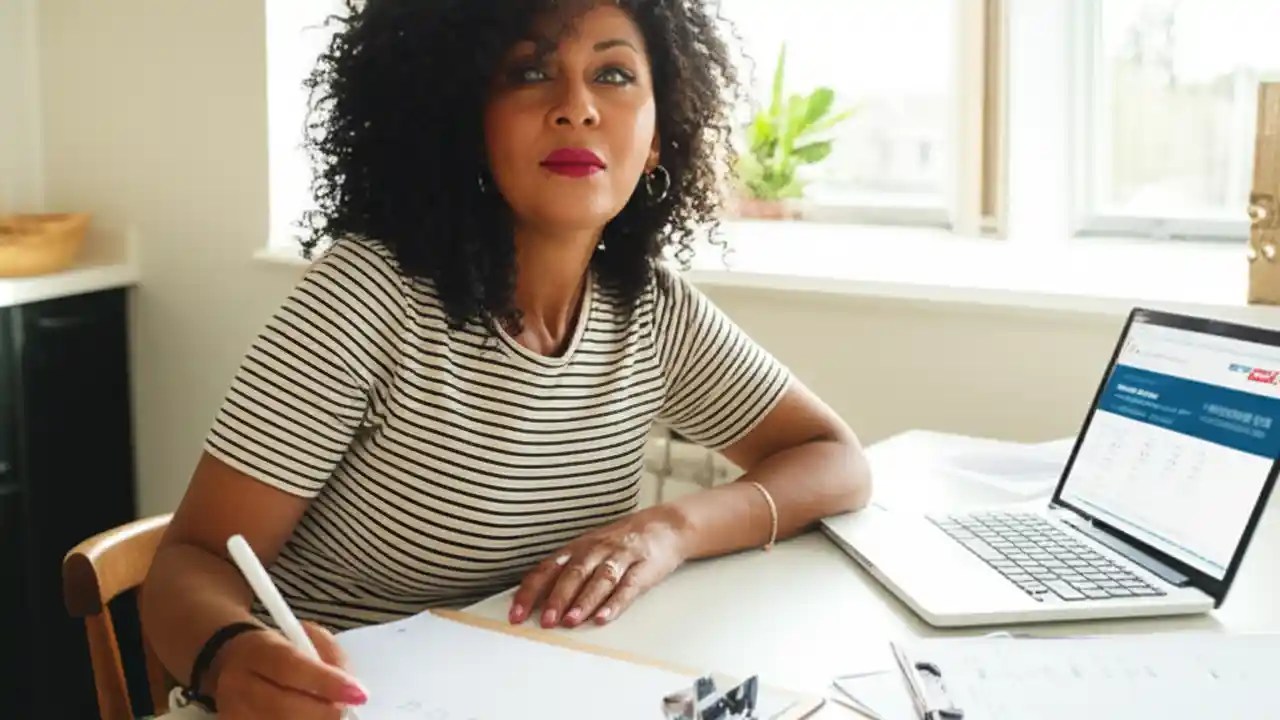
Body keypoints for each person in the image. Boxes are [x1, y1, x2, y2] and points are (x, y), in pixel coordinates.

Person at [139, 0, 872, 717]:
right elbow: (188, 562)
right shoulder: (367, 295)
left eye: (613, 75)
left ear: (657, 138)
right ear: (465, 118)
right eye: (529, 73)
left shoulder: (651, 309)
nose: (577, 106)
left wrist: (669, 530)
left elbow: (833, 459)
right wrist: (233, 657)